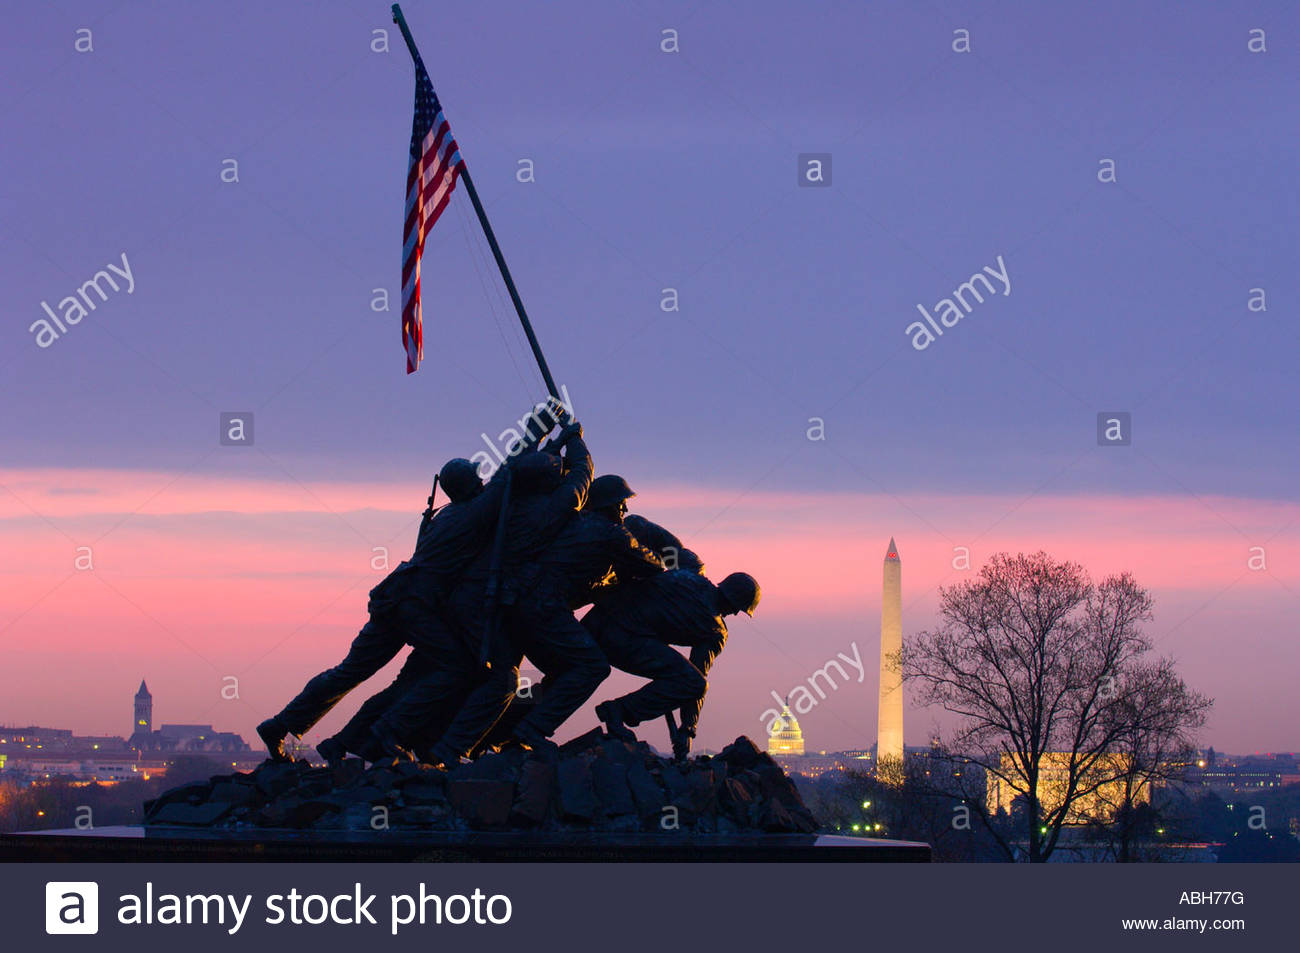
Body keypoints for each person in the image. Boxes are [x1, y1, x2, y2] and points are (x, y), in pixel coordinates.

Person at [255, 403, 561, 762]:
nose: (482, 482)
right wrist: (538, 428)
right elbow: (507, 475)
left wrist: (545, 443)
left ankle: (281, 725)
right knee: (455, 667)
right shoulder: (471, 512)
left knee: (350, 671)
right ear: (468, 486)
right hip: (416, 604)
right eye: (477, 479)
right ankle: (388, 733)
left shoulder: (443, 517)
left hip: (394, 596)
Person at [366, 418, 594, 763]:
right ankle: (435, 744)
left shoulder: (501, 500)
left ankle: (434, 742)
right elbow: (581, 478)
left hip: (470, 599)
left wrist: (549, 438)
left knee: (475, 674)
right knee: (501, 679)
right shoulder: (546, 511)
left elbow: (516, 469)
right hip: (479, 602)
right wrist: (575, 441)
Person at [587, 569, 760, 759]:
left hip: (597, 621)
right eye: (738, 608)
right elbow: (697, 678)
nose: (735, 613)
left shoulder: (687, 576)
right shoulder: (715, 629)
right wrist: (688, 729)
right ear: (734, 603)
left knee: (682, 677)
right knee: (693, 683)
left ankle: (618, 711)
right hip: (623, 639)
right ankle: (618, 711)